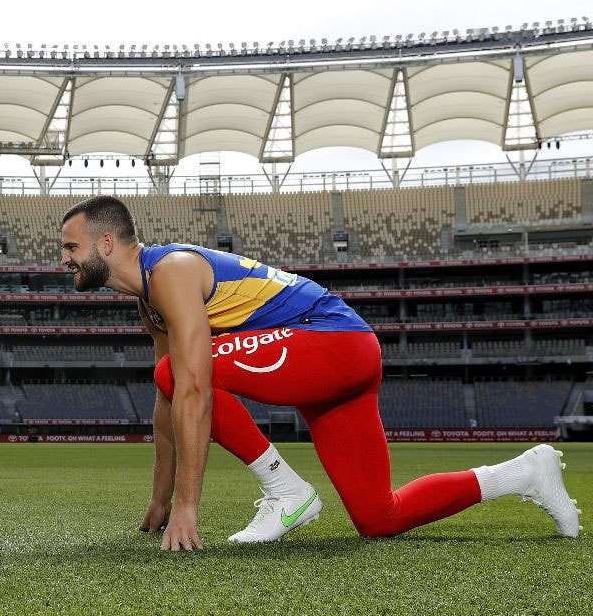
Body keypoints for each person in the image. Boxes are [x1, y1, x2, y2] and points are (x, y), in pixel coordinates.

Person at [59, 196, 581, 552]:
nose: (64, 260)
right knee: (380, 518)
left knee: (183, 371)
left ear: (106, 244)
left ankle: (287, 492)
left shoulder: (169, 271)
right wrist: (160, 499)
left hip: (330, 344)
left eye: (71, 247)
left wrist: (188, 508)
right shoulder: (148, 301)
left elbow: (192, 386)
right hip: (330, 358)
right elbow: (168, 404)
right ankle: (522, 473)